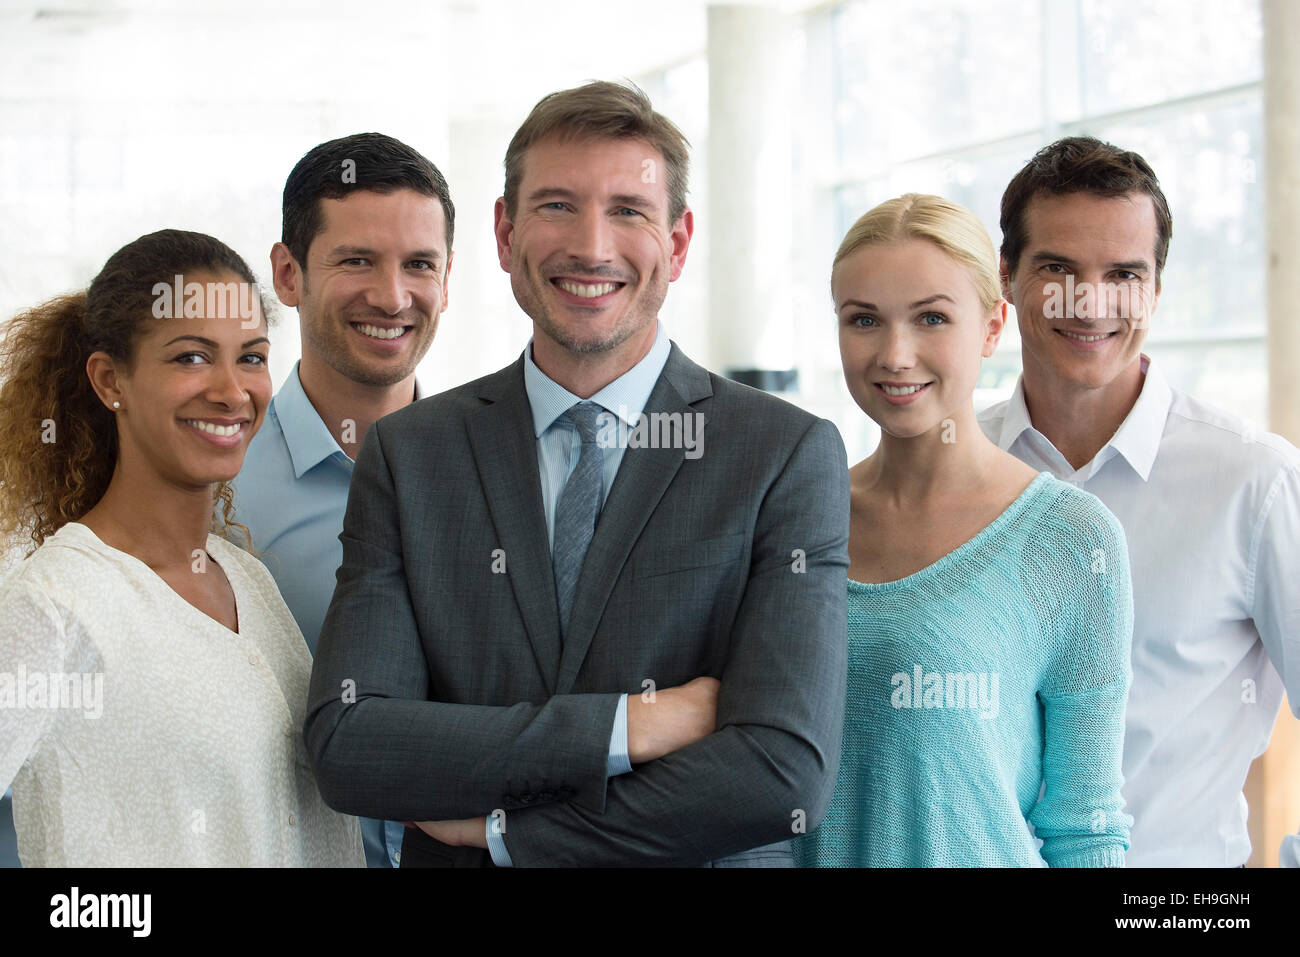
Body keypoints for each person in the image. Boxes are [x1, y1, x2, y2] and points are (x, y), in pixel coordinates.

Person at [303, 80, 850, 867]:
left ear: (680, 241)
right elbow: (353, 742)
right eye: (557, 205)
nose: (591, 247)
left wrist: (508, 834)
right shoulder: (410, 454)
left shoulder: (781, 454)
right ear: (503, 231)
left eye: (628, 210)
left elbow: (779, 773)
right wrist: (628, 726)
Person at [979, 136, 1300, 867]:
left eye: (1123, 274)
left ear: (1156, 287)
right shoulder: (953, 462)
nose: (1089, 303)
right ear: (1006, 274)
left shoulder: (1255, 483)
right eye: (1057, 268)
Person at [0, 229, 364, 867]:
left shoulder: (247, 580)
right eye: (192, 358)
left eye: (251, 357)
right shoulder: (54, 604)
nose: (231, 390)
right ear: (111, 380)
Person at [797, 194, 1133, 867]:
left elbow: (1086, 829)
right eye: (864, 319)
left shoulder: (1072, 540)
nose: (896, 354)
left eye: (932, 318)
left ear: (991, 326)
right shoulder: (794, 517)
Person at [233, 132, 452, 868]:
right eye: (357, 260)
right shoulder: (211, 487)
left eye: (419, 264)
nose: (392, 297)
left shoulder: (503, 470)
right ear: (288, 274)